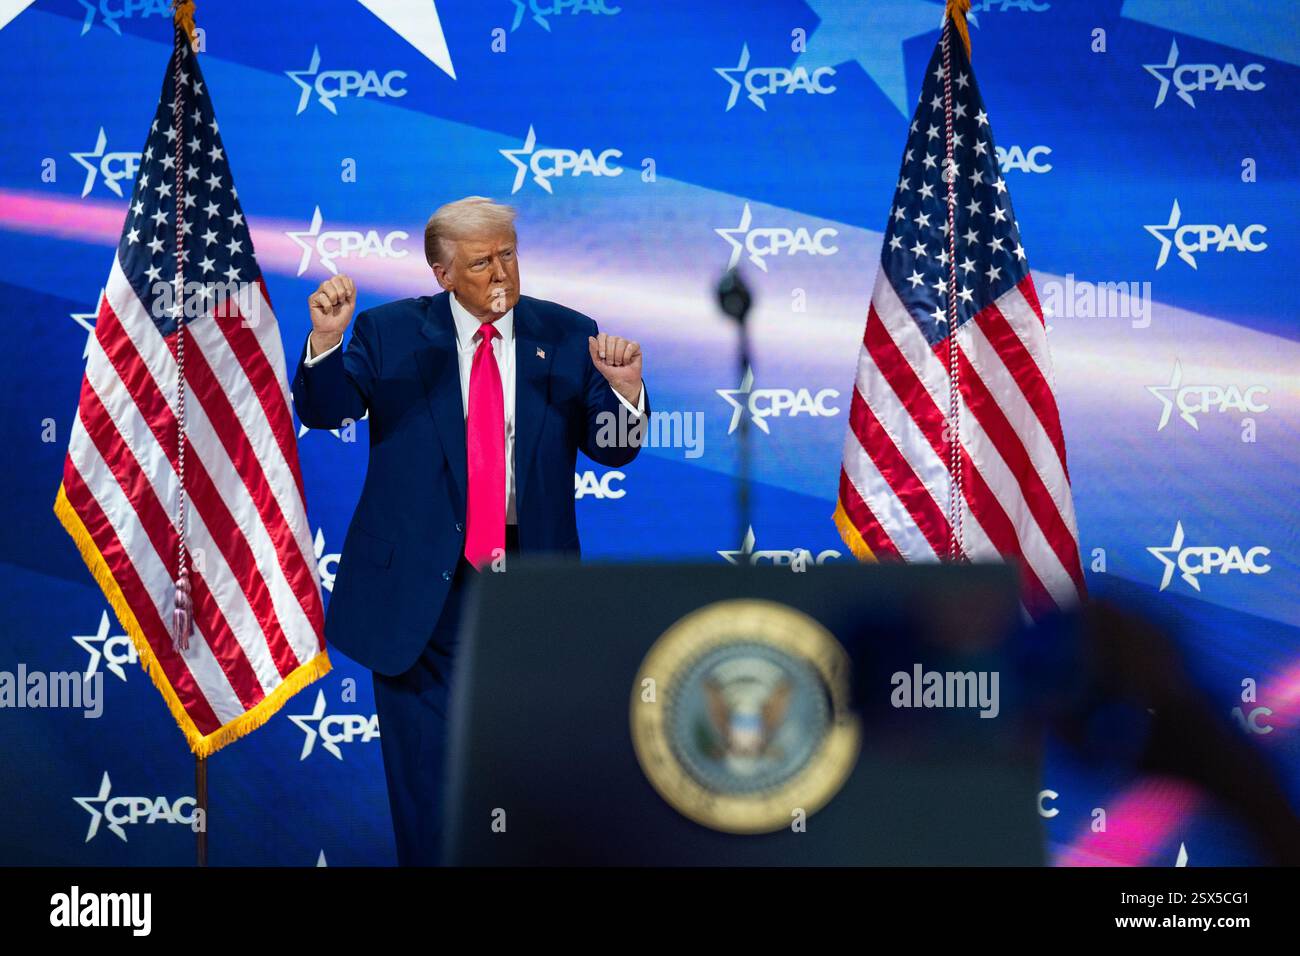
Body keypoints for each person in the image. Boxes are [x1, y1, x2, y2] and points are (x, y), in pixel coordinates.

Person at [292, 196, 647, 865]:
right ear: (442, 272)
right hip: (418, 605)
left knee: (528, 785)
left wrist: (625, 389)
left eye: (508, 254)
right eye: (482, 262)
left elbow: (613, 446)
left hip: (530, 596)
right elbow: (324, 407)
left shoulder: (569, 335)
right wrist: (328, 343)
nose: (501, 273)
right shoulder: (387, 333)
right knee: (429, 793)